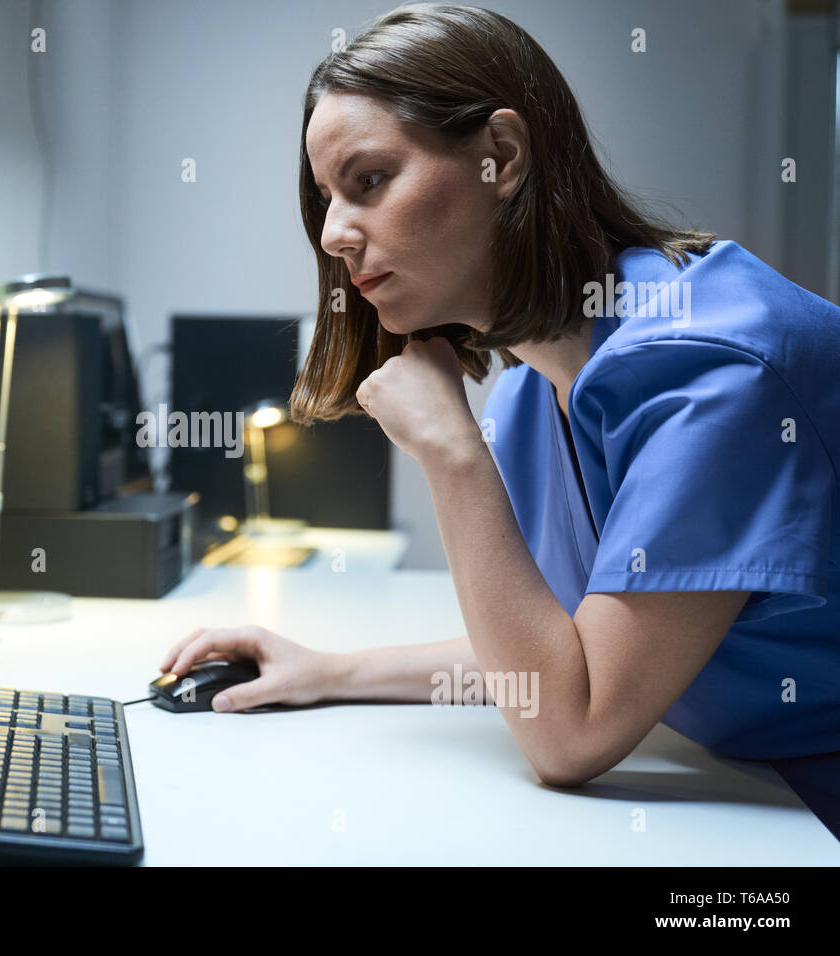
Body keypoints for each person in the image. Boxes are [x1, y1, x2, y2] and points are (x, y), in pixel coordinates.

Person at [158, 3, 840, 819]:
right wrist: (329, 673)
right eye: (327, 198)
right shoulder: (528, 391)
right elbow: (566, 658)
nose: (335, 232)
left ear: (502, 157)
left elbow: (570, 732)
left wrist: (450, 453)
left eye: (369, 180)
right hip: (758, 791)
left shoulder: (710, 371)